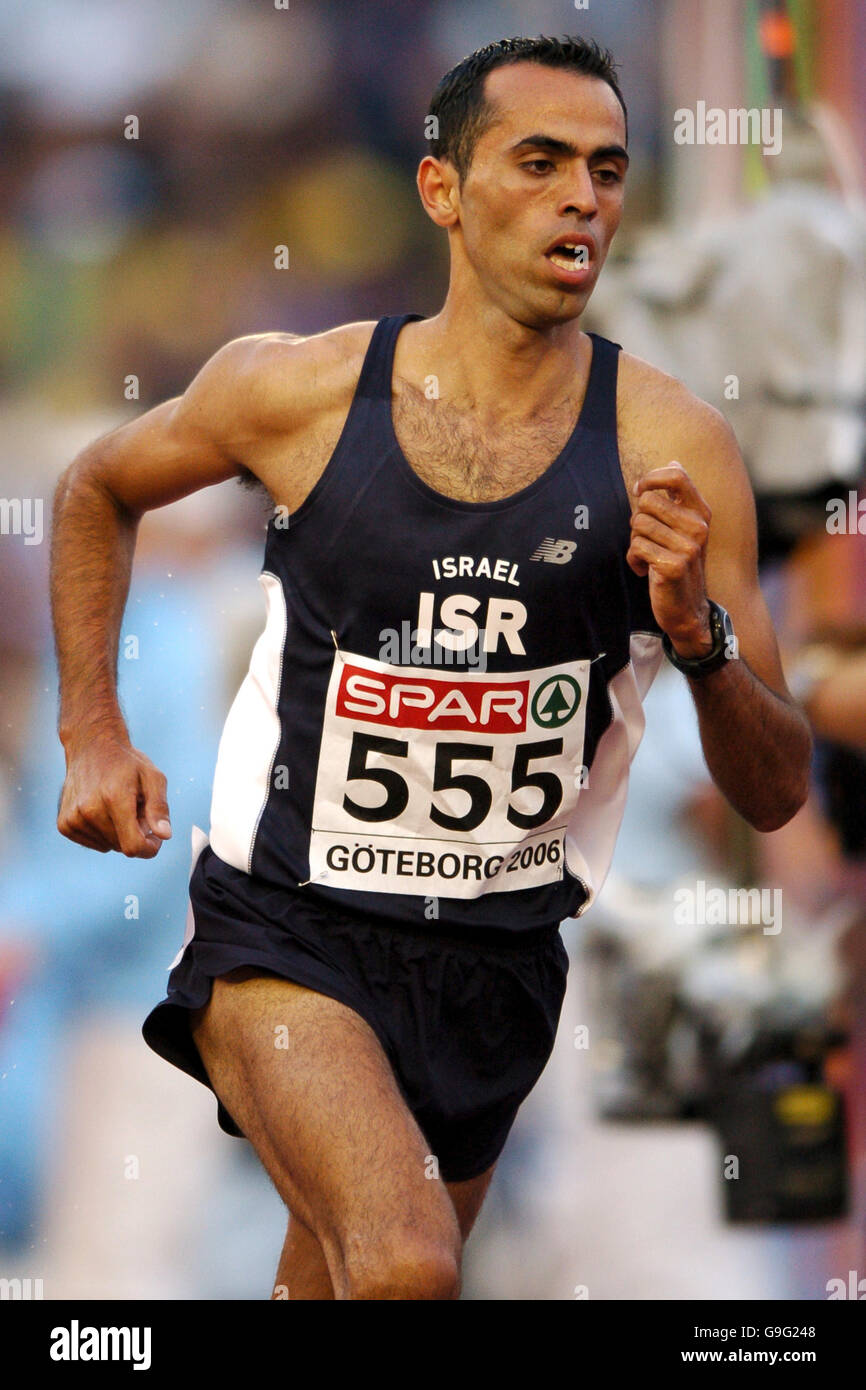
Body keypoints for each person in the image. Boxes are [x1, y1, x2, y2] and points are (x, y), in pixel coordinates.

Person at [50, 36, 812, 1300]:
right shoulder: (298, 393)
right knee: (406, 1266)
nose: (583, 197)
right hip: (286, 928)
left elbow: (777, 786)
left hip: (497, 963)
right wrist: (93, 727)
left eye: (608, 170)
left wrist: (697, 639)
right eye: (540, 161)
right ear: (441, 193)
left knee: (334, 1283)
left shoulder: (674, 449)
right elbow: (97, 485)